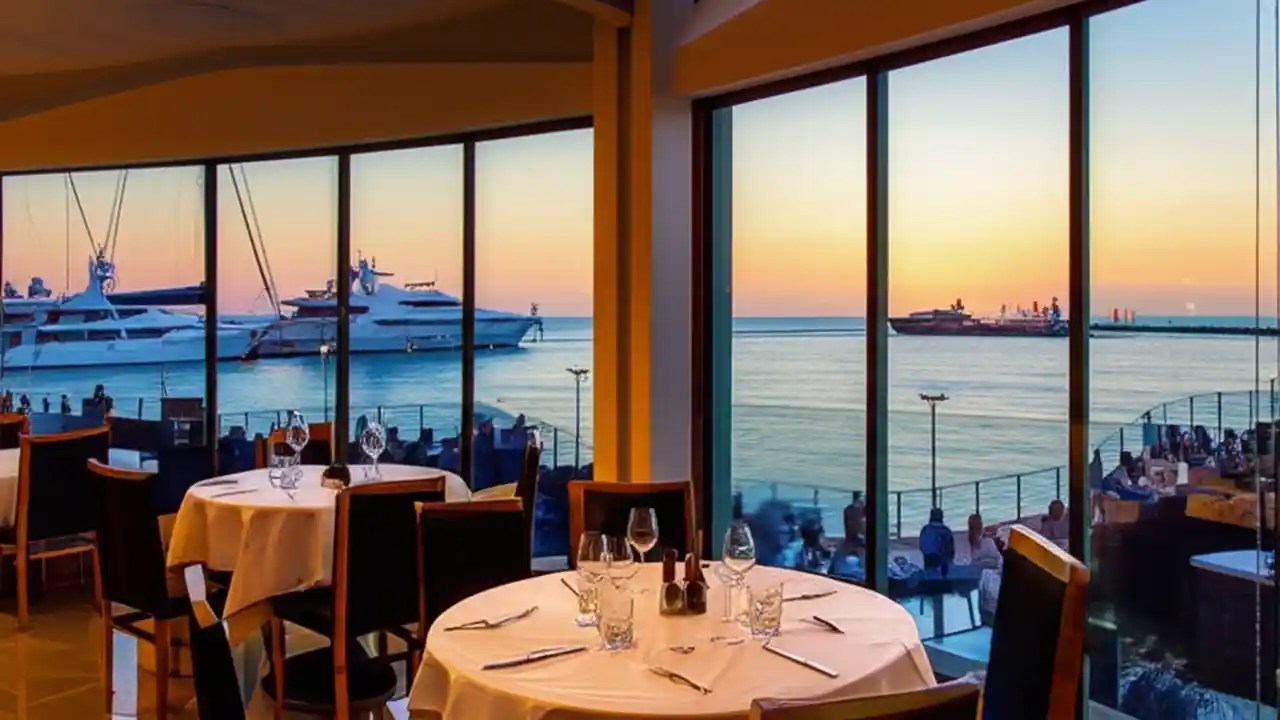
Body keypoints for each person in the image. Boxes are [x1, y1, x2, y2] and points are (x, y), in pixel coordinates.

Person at [918, 508, 955, 576]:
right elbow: (951, 550)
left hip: (928, 558)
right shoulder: (946, 530)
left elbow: (921, 546)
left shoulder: (925, 529)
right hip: (942, 560)